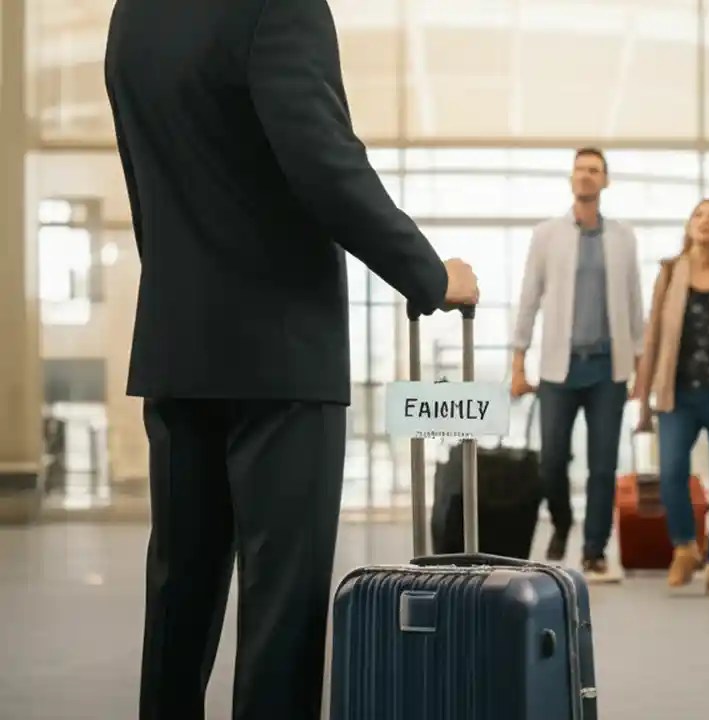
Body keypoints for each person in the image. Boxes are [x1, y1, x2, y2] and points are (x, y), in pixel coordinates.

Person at [104, 1, 479, 717]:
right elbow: (326, 164)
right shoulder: (278, 6)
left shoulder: (135, 13)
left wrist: (182, 293)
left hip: (178, 342)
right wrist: (431, 276)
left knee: (179, 591)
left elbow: (141, 177)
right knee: (282, 604)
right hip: (281, 352)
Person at [511, 148, 645, 581]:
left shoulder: (623, 237)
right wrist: (518, 362)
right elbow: (529, 297)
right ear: (572, 179)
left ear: (605, 182)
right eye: (580, 169)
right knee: (551, 460)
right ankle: (563, 521)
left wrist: (640, 367)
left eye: (594, 170)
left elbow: (633, 303)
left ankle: (593, 549)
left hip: (608, 369)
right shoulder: (547, 234)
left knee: (603, 464)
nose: (585, 176)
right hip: (558, 368)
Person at [634, 199, 709, 597]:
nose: (705, 221)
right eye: (699, 215)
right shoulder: (670, 271)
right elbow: (652, 336)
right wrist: (642, 392)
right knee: (670, 474)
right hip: (676, 393)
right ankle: (685, 546)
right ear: (689, 225)